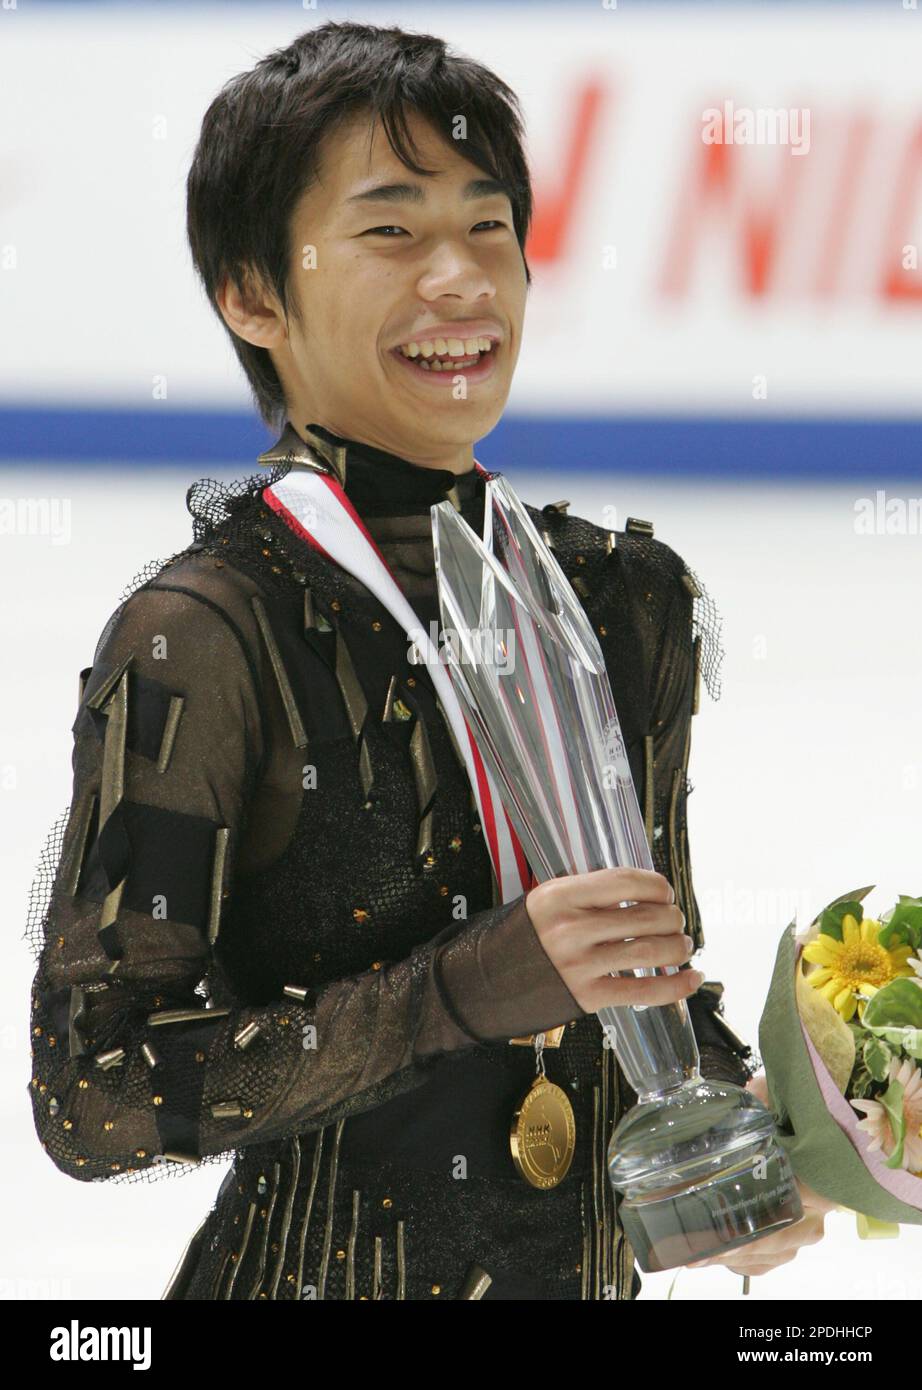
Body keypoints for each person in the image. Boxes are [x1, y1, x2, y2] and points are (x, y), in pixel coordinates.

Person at [25, 19, 827, 1301]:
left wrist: (762, 1133)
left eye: (489, 226)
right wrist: (455, 989)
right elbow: (94, 1097)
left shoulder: (623, 602)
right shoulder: (207, 633)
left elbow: (651, 988)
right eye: (391, 231)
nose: (459, 279)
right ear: (252, 293)